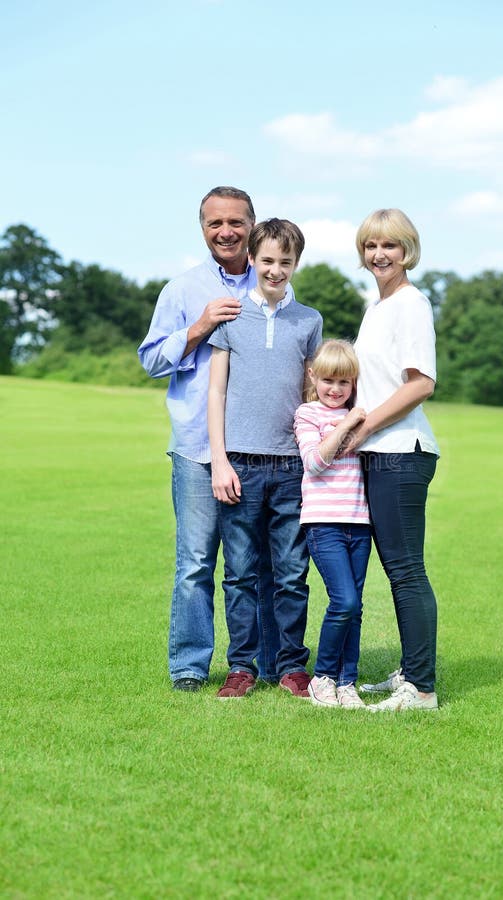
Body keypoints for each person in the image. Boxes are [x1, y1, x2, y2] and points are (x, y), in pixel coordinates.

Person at [137, 186, 280, 691]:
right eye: (215, 223)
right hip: (198, 449)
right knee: (196, 563)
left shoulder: (273, 283)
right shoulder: (182, 290)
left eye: (236, 223)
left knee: (258, 564)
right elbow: (151, 361)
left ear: (251, 224)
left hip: (262, 454)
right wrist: (197, 328)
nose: (226, 232)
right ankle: (190, 667)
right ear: (202, 228)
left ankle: (260, 664)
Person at [208, 218, 323, 699]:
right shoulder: (231, 316)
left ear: (296, 264)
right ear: (252, 260)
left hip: (292, 467)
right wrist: (219, 460)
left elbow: (313, 391)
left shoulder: (309, 321)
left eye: (286, 262)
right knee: (239, 573)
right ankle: (241, 668)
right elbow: (215, 391)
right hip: (239, 463)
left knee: (293, 574)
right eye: (268, 260)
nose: (276, 270)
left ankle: (292, 666)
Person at [347, 208, 441, 712]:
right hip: (379, 452)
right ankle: (411, 669)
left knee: (406, 571)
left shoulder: (411, 303)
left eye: (390, 246)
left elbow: (420, 383)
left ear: (408, 250)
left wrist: (362, 427)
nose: (380, 255)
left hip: (401, 453)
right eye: (371, 246)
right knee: (397, 569)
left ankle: (421, 688)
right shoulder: (377, 308)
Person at [294, 340, 372, 709]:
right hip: (323, 523)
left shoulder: (359, 412)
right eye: (328, 380)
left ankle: (347, 682)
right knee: (344, 601)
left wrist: (356, 418)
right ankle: (322, 677)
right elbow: (315, 462)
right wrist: (349, 423)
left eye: (345, 383)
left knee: (354, 607)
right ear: (313, 376)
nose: (336, 389)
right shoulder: (307, 414)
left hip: (358, 523)